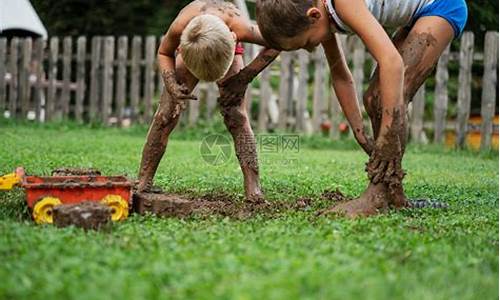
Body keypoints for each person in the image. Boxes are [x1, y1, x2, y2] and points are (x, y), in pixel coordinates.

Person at [255, 0, 468, 217]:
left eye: (307, 42)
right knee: (373, 98)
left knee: (386, 95)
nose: (311, 48)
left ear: (313, 16)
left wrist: (387, 140)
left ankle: (377, 195)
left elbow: (391, 62)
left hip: (442, 6)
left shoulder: (344, 3)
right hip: (419, 12)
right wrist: (359, 132)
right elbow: (340, 75)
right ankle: (393, 195)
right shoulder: (323, 13)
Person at [137, 0, 279, 202]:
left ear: (234, 38)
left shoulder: (240, 26)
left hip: (222, 44)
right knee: (166, 113)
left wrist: (244, 77)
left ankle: (253, 188)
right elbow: (163, 52)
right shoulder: (181, 26)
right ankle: (144, 180)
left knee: (236, 115)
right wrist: (171, 84)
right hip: (195, 45)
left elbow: (278, 42)